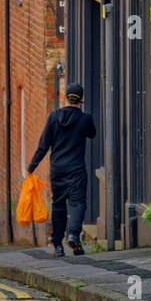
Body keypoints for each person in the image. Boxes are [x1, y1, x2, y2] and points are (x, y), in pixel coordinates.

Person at [27, 82, 96, 257]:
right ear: (81, 100)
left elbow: (43, 145)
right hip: (76, 170)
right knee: (78, 203)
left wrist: (32, 167)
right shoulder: (85, 119)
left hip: (57, 170)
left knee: (58, 205)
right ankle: (73, 234)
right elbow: (92, 133)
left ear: (65, 97)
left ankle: (57, 244)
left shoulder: (54, 117)